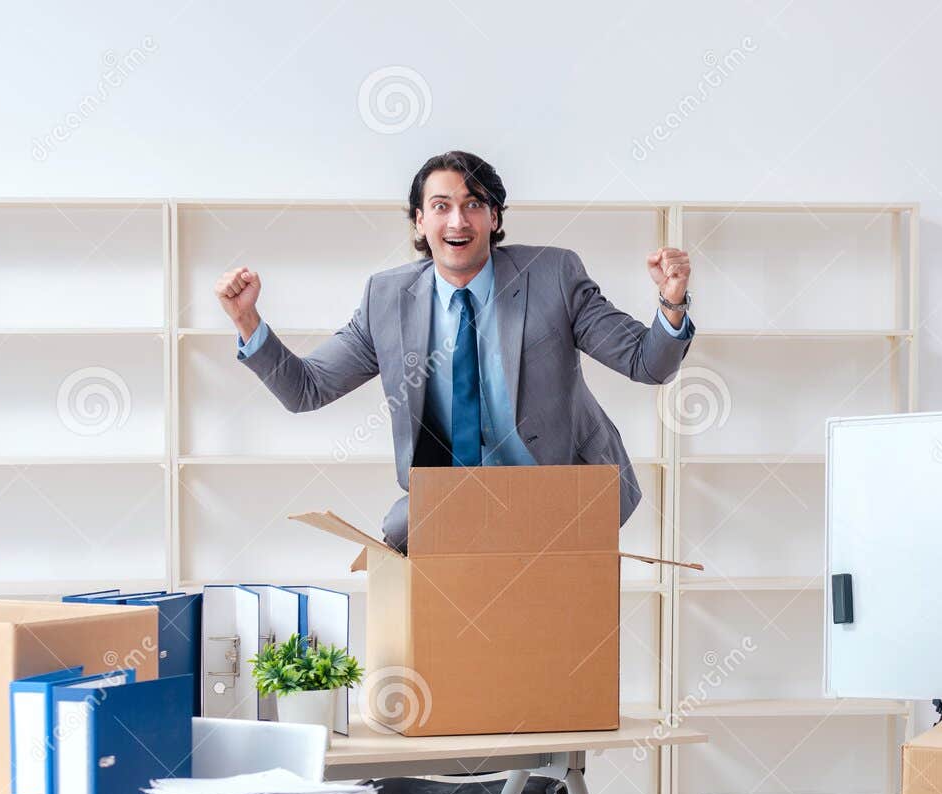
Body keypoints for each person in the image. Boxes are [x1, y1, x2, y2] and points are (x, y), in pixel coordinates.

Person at [216, 149, 694, 550]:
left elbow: (645, 363)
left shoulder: (553, 276)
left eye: (473, 204)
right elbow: (307, 389)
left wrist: (671, 302)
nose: (457, 220)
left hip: (560, 487)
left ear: (494, 217)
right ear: (420, 222)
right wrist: (247, 320)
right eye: (441, 206)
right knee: (401, 533)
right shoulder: (386, 298)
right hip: (454, 496)